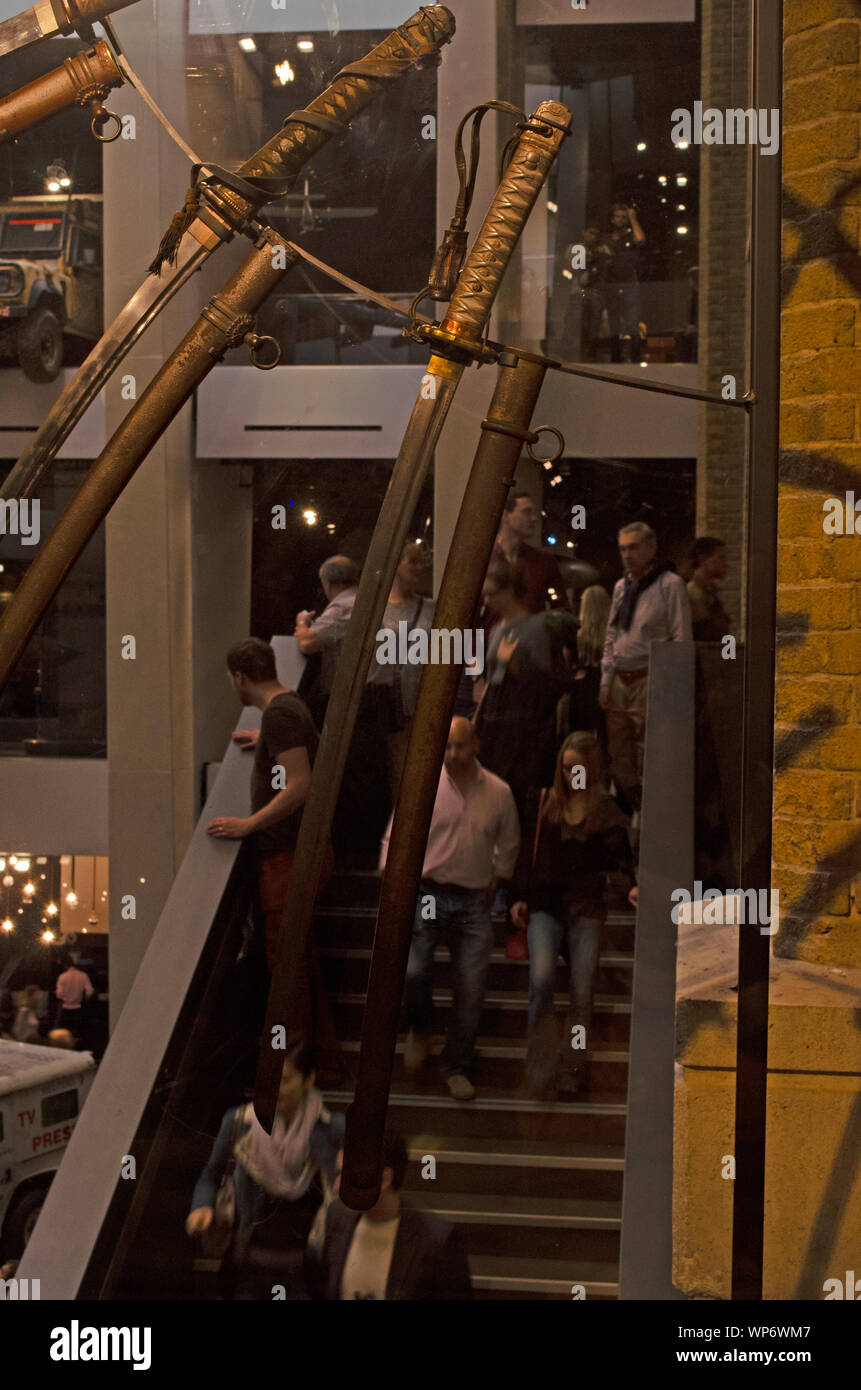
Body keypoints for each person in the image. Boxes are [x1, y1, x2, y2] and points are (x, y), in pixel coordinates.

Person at [207, 637, 341, 1082]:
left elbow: (300, 785)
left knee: (286, 967)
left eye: (231, 679)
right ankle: (321, 1060)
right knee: (297, 961)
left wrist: (250, 825)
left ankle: (296, 1068)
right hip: (302, 851)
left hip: (288, 855)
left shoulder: (281, 715)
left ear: (241, 677)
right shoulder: (287, 709)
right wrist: (266, 741)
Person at [382, 717, 519, 1102]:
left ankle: (457, 1065)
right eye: (446, 747)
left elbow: (509, 842)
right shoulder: (424, 784)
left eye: (459, 746)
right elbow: (396, 835)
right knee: (414, 970)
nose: (452, 754)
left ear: (474, 744)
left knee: (472, 989)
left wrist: (499, 877)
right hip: (428, 891)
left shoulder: (498, 792)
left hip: (474, 900)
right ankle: (420, 1025)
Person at [510, 731, 636, 1097]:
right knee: (542, 981)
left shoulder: (605, 809)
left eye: (577, 768)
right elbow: (526, 855)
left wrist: (628, 884)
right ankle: (540, 1068)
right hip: (546, 906)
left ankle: (574, 1070)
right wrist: (518, 897)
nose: (571, 775)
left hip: (585, 908)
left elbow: (620, 858)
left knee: (582, 992)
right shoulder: (546, 802)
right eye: (566, 768)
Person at [186, 1040, 344, 1300]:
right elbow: (210, 1175)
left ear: (308, 1080)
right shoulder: (239, 1123)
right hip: (249, 1265)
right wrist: (201, 1205)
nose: (274, 1090)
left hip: (306, 1268)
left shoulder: (332, 1130)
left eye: (285, 1080)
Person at [600, 522, 691, 820]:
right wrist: (606, 679)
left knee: (651, 753)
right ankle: (633, 814)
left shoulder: (669, 584)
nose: (627, 555)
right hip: (620, 679)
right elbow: (612, 635)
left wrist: (673, 688)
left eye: (634, 547)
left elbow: (680, 638)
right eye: (623, 548)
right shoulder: (621, 587)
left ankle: (652, 821)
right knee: (620, 754)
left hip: (650, 676)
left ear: (651, 548)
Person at [315, 1129, 472, 1300]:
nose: (336, 1187)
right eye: (338, 1174)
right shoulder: (336, 1216)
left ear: (384, 1179)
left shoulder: (436, 1239)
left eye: (347, 1176)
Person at [475, 560, 566, 817]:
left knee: (510, 787)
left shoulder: (534, 627)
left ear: (510, 590)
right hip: (494, 717)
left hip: (520, 721)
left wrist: (514, 665)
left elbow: (545, 682)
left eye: (492, 592)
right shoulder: (496, 629)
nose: (488, 599)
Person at [366, 540, 434, 802]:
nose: (419, 568)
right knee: (386, 769)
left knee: (413, 770)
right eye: (412, 562)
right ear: (395, 564)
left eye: (421, 562)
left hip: (418, 701)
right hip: (383, 701)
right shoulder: (375, 608)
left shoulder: (429, 608)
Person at [294, 554, 359, 723]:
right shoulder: (361, 600)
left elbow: (307, 643)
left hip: (346, 697)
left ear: (327, 583)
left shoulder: (343, 606)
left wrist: (302, 623)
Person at [487, 490, 571, 619]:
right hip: (491, 637)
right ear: (506, 516)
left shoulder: (543, 561)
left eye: (533, 512)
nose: (533, 518)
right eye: (526, 512)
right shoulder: (485, 558)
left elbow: (562, 610)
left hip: (529, 637)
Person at [595, 203, 647, 363]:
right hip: (612, 285)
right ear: (612, 219)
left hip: (630, 284)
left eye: (623, 217)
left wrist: (632, 217)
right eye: (618, 216)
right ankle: (615, 359)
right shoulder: (606, 239)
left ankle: (636, 358)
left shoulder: (630, 236)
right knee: (614, 323)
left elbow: (640, 240)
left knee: (632, 322)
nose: (620, 220)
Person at [564, 584, 611, 750]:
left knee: (577, 741)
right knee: (602, 738)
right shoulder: (611, 634)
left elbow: (566, 662)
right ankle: (598, 772)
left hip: (580, 688)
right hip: (604, 685)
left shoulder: (576, 633)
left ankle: (579, 775)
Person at [686, 537, 731, 642]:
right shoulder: (690, 594)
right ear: (703, 559)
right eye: (721, 558)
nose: (726, 564)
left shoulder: (713, 595)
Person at [54, 960, 93, 1036]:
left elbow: (59, 994)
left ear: (65, 965)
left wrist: (63, 996)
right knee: (77, 1033)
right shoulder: (83, 975)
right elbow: (90, 991)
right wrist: (86, 998)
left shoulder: (62, 976)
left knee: (64, 1033)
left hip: (65, 1008)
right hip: (78, 1008)